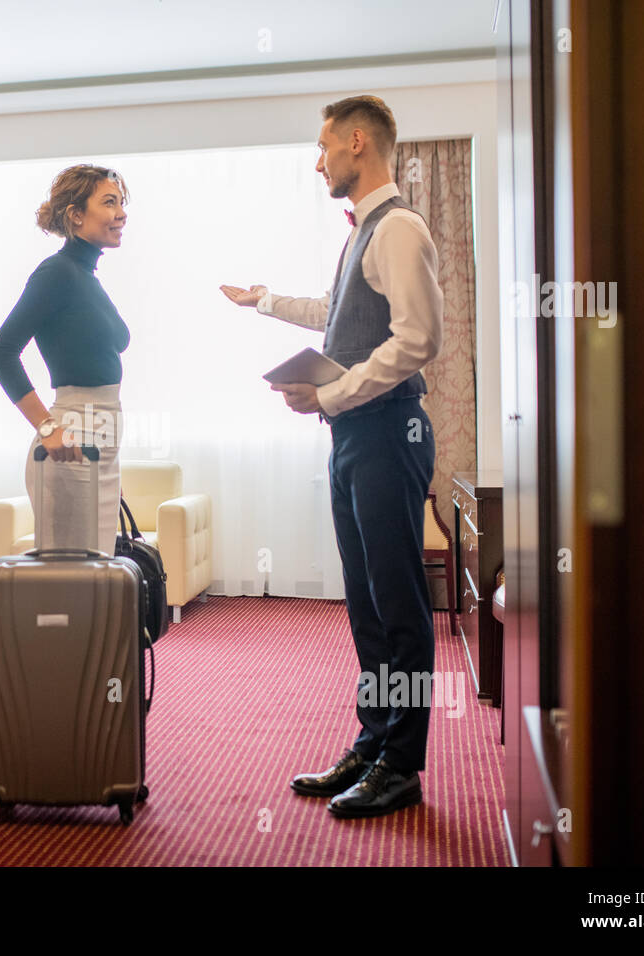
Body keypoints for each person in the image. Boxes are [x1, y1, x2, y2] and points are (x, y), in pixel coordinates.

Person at [221, 95, 443, 818]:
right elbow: (336, 311)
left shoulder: (400, 228)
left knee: (399, 606)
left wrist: (335, 393)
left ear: (357, 143)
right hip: (353, 436)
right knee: (366, 605)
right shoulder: (359, 237)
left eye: (323, 148)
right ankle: (375, 741)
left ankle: (402, 766)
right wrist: (263, 302)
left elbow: (417, 342)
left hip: (386, 431)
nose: (317, 162)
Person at [0, 165, 130, 555]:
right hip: (72, 437)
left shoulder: (86, 276)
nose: (121, 213)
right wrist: (47, 426)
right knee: (72, 581)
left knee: (97, 574)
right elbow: (0, 352)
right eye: (109, 202)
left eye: (122, 203)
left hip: (100, 434)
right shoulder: (56, 273)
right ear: (76, 215)